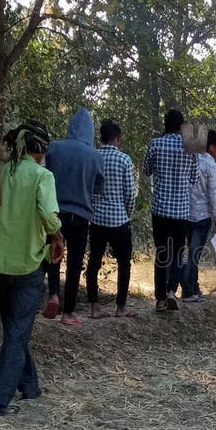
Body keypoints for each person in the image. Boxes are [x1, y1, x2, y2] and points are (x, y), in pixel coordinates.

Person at [0, 121, 64, 417]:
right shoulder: (43, 176)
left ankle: (30, 386)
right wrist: (58, 235)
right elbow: (49, 216)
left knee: (15, 328)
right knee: (17, 332)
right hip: (27, 264)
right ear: (38, 149)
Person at [43, 108, 104, 326]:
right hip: (80, 215)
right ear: (90, 131)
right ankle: (67, 313)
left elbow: (45, 176)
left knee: (54, 255)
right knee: (75, 263)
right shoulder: (95, 156)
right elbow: (99, 188)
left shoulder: (54, 148)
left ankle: (52, 295)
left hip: (55, 212)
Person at [143, 108, 199, 312]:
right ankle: (170, 292)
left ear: (164, 125)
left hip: (159, 209)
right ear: (182, 127)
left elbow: (147, 169)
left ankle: (159, 300)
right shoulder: (190, 147)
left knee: (161, 253)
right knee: (177, 254)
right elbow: (194, 179)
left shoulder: (155, 144)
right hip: (181, 211)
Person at [85, 119, 137, 319]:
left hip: (96, 219)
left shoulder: (93, 157)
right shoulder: (124, 160)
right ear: (117, 139)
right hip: (118, 220)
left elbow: (88, 187)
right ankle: (121, 307)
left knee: (94, 262)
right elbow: (130, 194)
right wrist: (127, 214)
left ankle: (94, 307)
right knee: (124, 265)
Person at [181, 129, 216, 303]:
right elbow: (213, 195)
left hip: (184, 213)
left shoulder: (190, 159)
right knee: (194, 254)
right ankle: (188, 292)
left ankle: (194, 288)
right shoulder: (211, 166)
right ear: (211, 147)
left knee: (190, 253)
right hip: (201, 217)